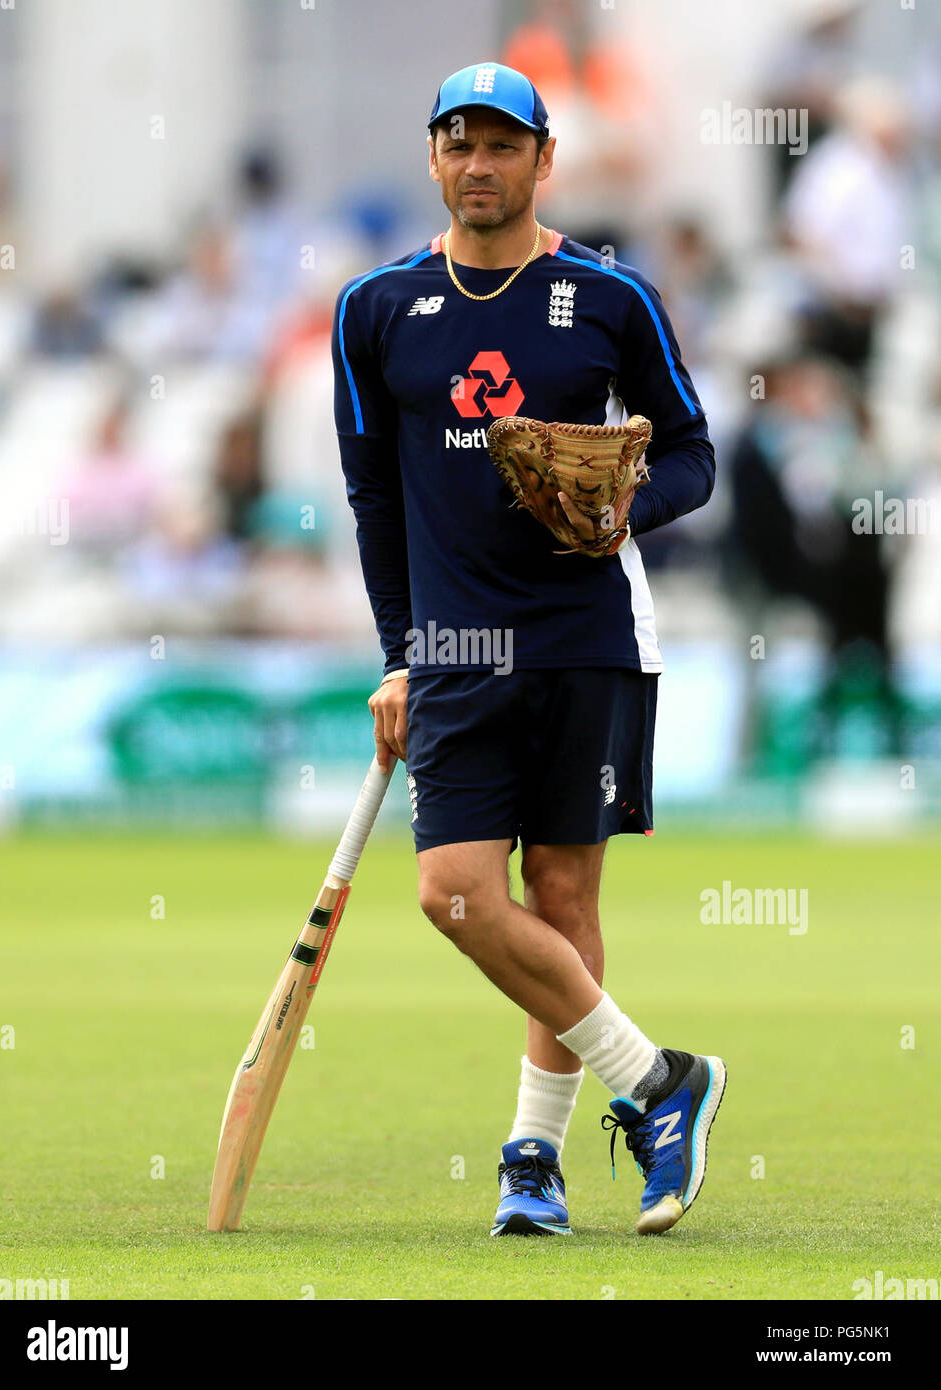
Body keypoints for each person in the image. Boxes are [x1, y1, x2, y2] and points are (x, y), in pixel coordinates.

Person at [331, 62, 725, 1238]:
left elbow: (694, 455)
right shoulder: (377, 309)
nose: (479, 163)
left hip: (586, 635)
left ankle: (531, 1162)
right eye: (459, 142)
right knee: (456, 897)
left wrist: (619, 512)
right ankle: (660, 1081)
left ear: (543, 160)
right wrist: (400, 653)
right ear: (435, 159)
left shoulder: (609, 299)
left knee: (559, 893)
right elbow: (371, 501)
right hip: (453, 647)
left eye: (503, 144)